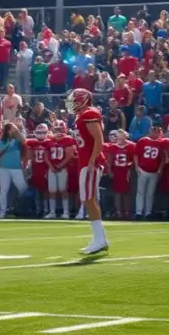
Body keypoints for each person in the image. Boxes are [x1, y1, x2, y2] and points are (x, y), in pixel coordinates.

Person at [67, 87, 108, 254]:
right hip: (85, 160)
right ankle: (100, 238)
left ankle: (99, 239)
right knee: (88, 199)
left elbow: (99, 140)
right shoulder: (82, 115)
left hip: (90, 162)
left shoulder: (89, 114)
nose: (72, 103)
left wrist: (92, 161)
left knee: (89, 199)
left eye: (75, 100)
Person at [0, 121, 28, 217]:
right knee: (3, 190)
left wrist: (17, 132)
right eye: (13, 128)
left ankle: (20, 206)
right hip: (3, 168)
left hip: (16, 168)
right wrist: (8, 143)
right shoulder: (1, 140)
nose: (15, 129)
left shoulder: (18, 140)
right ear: (8, 130)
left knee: (23, 188)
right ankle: (2, 212)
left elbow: (24, 141)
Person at [134, 124, 164, 219]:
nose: (155, 132)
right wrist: (136, 166)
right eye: (153, 130)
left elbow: (163, 158)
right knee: (140, 192)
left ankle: (148, 212)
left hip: (154, 171)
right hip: (143, 169)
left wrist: (160, 169)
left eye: (157, 130)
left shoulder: (161, 142)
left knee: (150, 193)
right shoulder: (143, 141)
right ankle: (139, 212)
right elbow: (136, 154)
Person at [46, 123, 76, 219]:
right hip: (52, 168)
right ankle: (52, 212)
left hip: (63, 168)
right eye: (56, 129)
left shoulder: (68, 139)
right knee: (52, 190)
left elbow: (70, 155)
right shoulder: (49, 139)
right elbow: (46, 156)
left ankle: (66, 212)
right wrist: (51, 166)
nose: (58, 131)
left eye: (60, 129)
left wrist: (60, 165)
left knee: (63, 189)